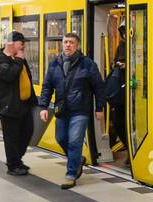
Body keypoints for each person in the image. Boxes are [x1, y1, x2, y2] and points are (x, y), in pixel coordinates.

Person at [39, 32, 107, 189]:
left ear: (77, 45)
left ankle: (71, 174)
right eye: (65, 42)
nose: (67, 45)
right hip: (62, 109)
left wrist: (99, 107)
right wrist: (43, 106)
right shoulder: (54, 64)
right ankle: (77, 160)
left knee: (75, 141)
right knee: (61, 138)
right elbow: (47, 86)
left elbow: (99, 87)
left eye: (71, 42)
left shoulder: (88, 64)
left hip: (80, 110)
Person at [0, 31, 36, 176]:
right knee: (11, 137)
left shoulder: (19, 58)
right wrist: (18, 60)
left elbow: (25, 78)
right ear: (11, 44)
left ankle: (16, 159)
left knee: (27, 131)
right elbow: (10, 75)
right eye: (21, 43)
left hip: (23, 103)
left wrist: (33, 99)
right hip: (8, 105)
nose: (23, 46)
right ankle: (13, 165)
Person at [107, 22, 127, 154]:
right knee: (118, 122)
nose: (125, 34)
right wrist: (118, 64)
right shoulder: (121, 46)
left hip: (132, 91)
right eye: (123, 31)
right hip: (120, 90)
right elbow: (115, 62)